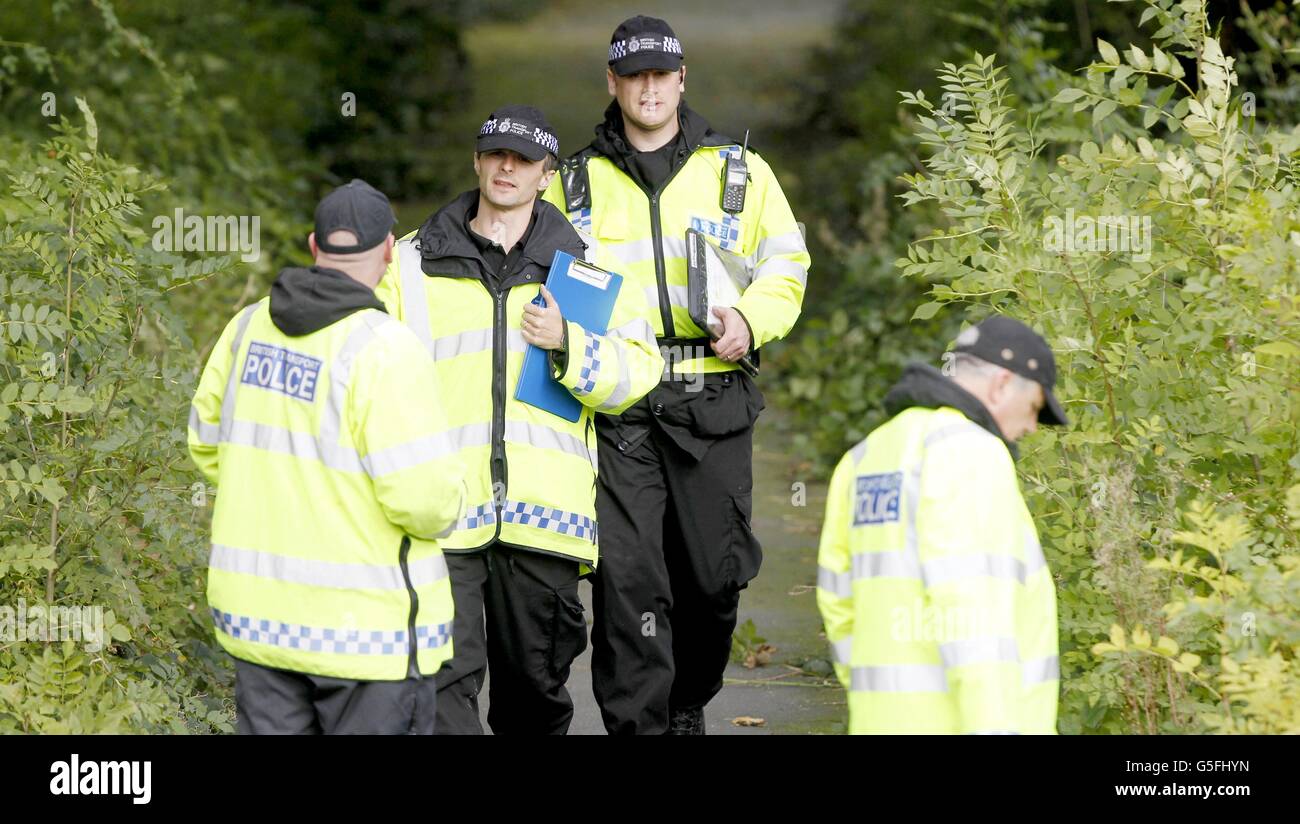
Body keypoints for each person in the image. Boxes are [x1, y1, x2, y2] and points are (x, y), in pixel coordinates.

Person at [543, 15, 810, 734]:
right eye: (634, 76)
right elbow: (534, 281)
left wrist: (751, 320)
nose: (649, 88)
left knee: (712, 583)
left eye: (661, 75)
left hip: (712, 400)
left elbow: (788, 263)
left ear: (681, 79)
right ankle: (644, 725)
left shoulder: (740, 173)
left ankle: (684, 701)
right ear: (613, 83)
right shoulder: (571, 184)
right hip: (618, 407)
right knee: (629, 589)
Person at [376, 104, 664, 734]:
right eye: (496, 154)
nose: (507, 167)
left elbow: (638, 372)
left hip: (545, 519)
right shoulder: (410, 265)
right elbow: (367, 366)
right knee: (441, 686)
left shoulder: (587, 266)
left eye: (524, 160)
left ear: (545, 175)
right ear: (477, 161)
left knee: (534, 693)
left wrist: (570, 344)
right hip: (443, 513)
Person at [188, 179, 467, 734]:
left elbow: (205, 442)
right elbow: (425, 504)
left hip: (261, 623)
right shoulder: (386, 349)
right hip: (368, 637)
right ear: (390, 253)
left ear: (314, 246)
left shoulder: (246, 329)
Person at [816, 315, 1068, 734]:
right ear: (1003, 384)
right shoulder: (972, 452)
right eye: (1034, 409)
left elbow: (838, 603)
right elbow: (971, 611)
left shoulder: (865, 456)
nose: (1029, 427)